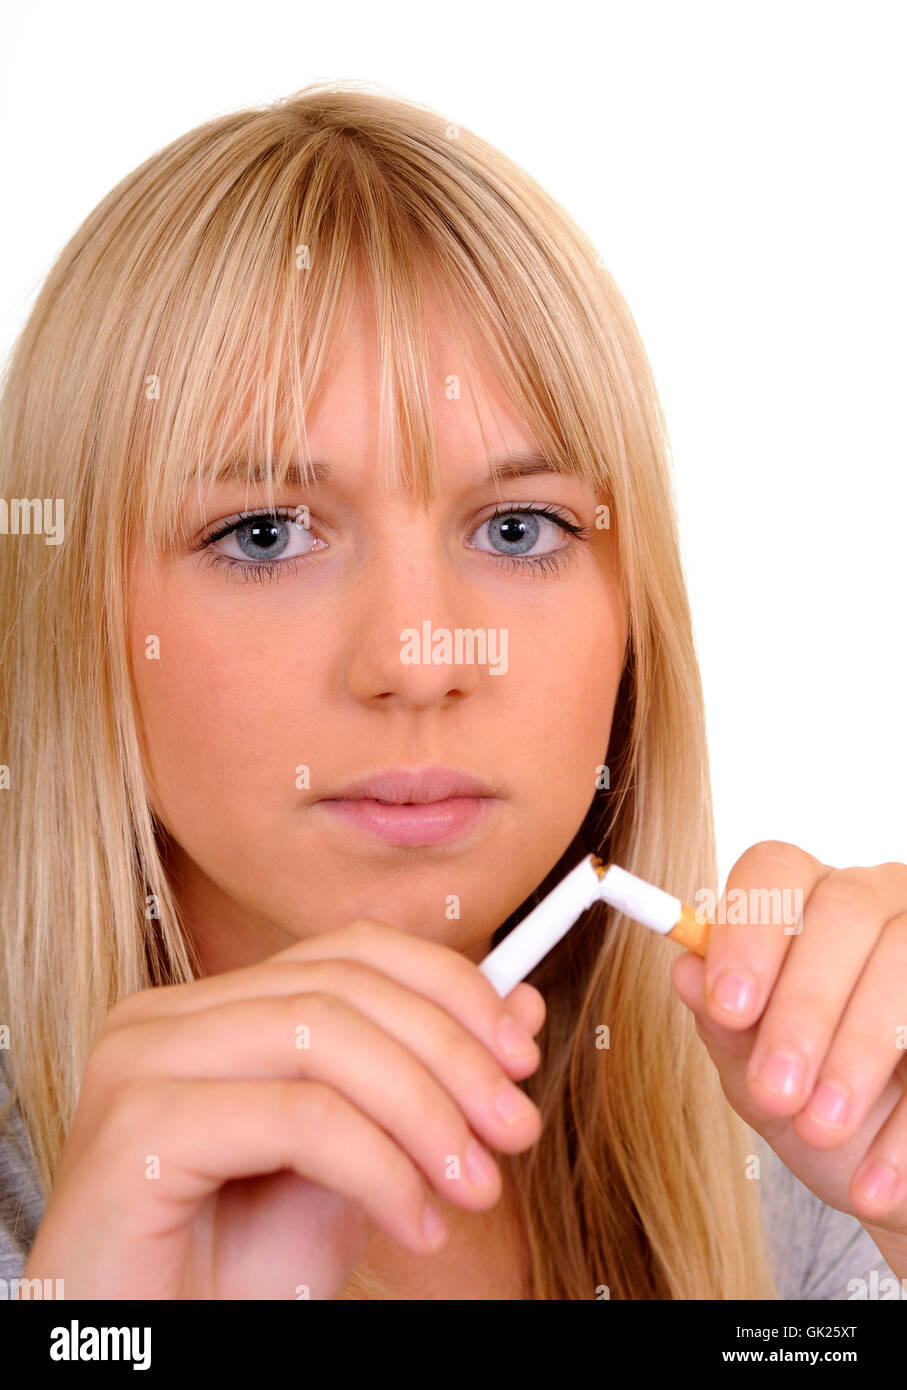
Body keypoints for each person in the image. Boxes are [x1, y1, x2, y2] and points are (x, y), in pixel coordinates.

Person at [1, 80, 904, 1300]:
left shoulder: (800, 1173)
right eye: (265, 533)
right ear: (79, 621)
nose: (422, 661)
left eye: (519, 526)